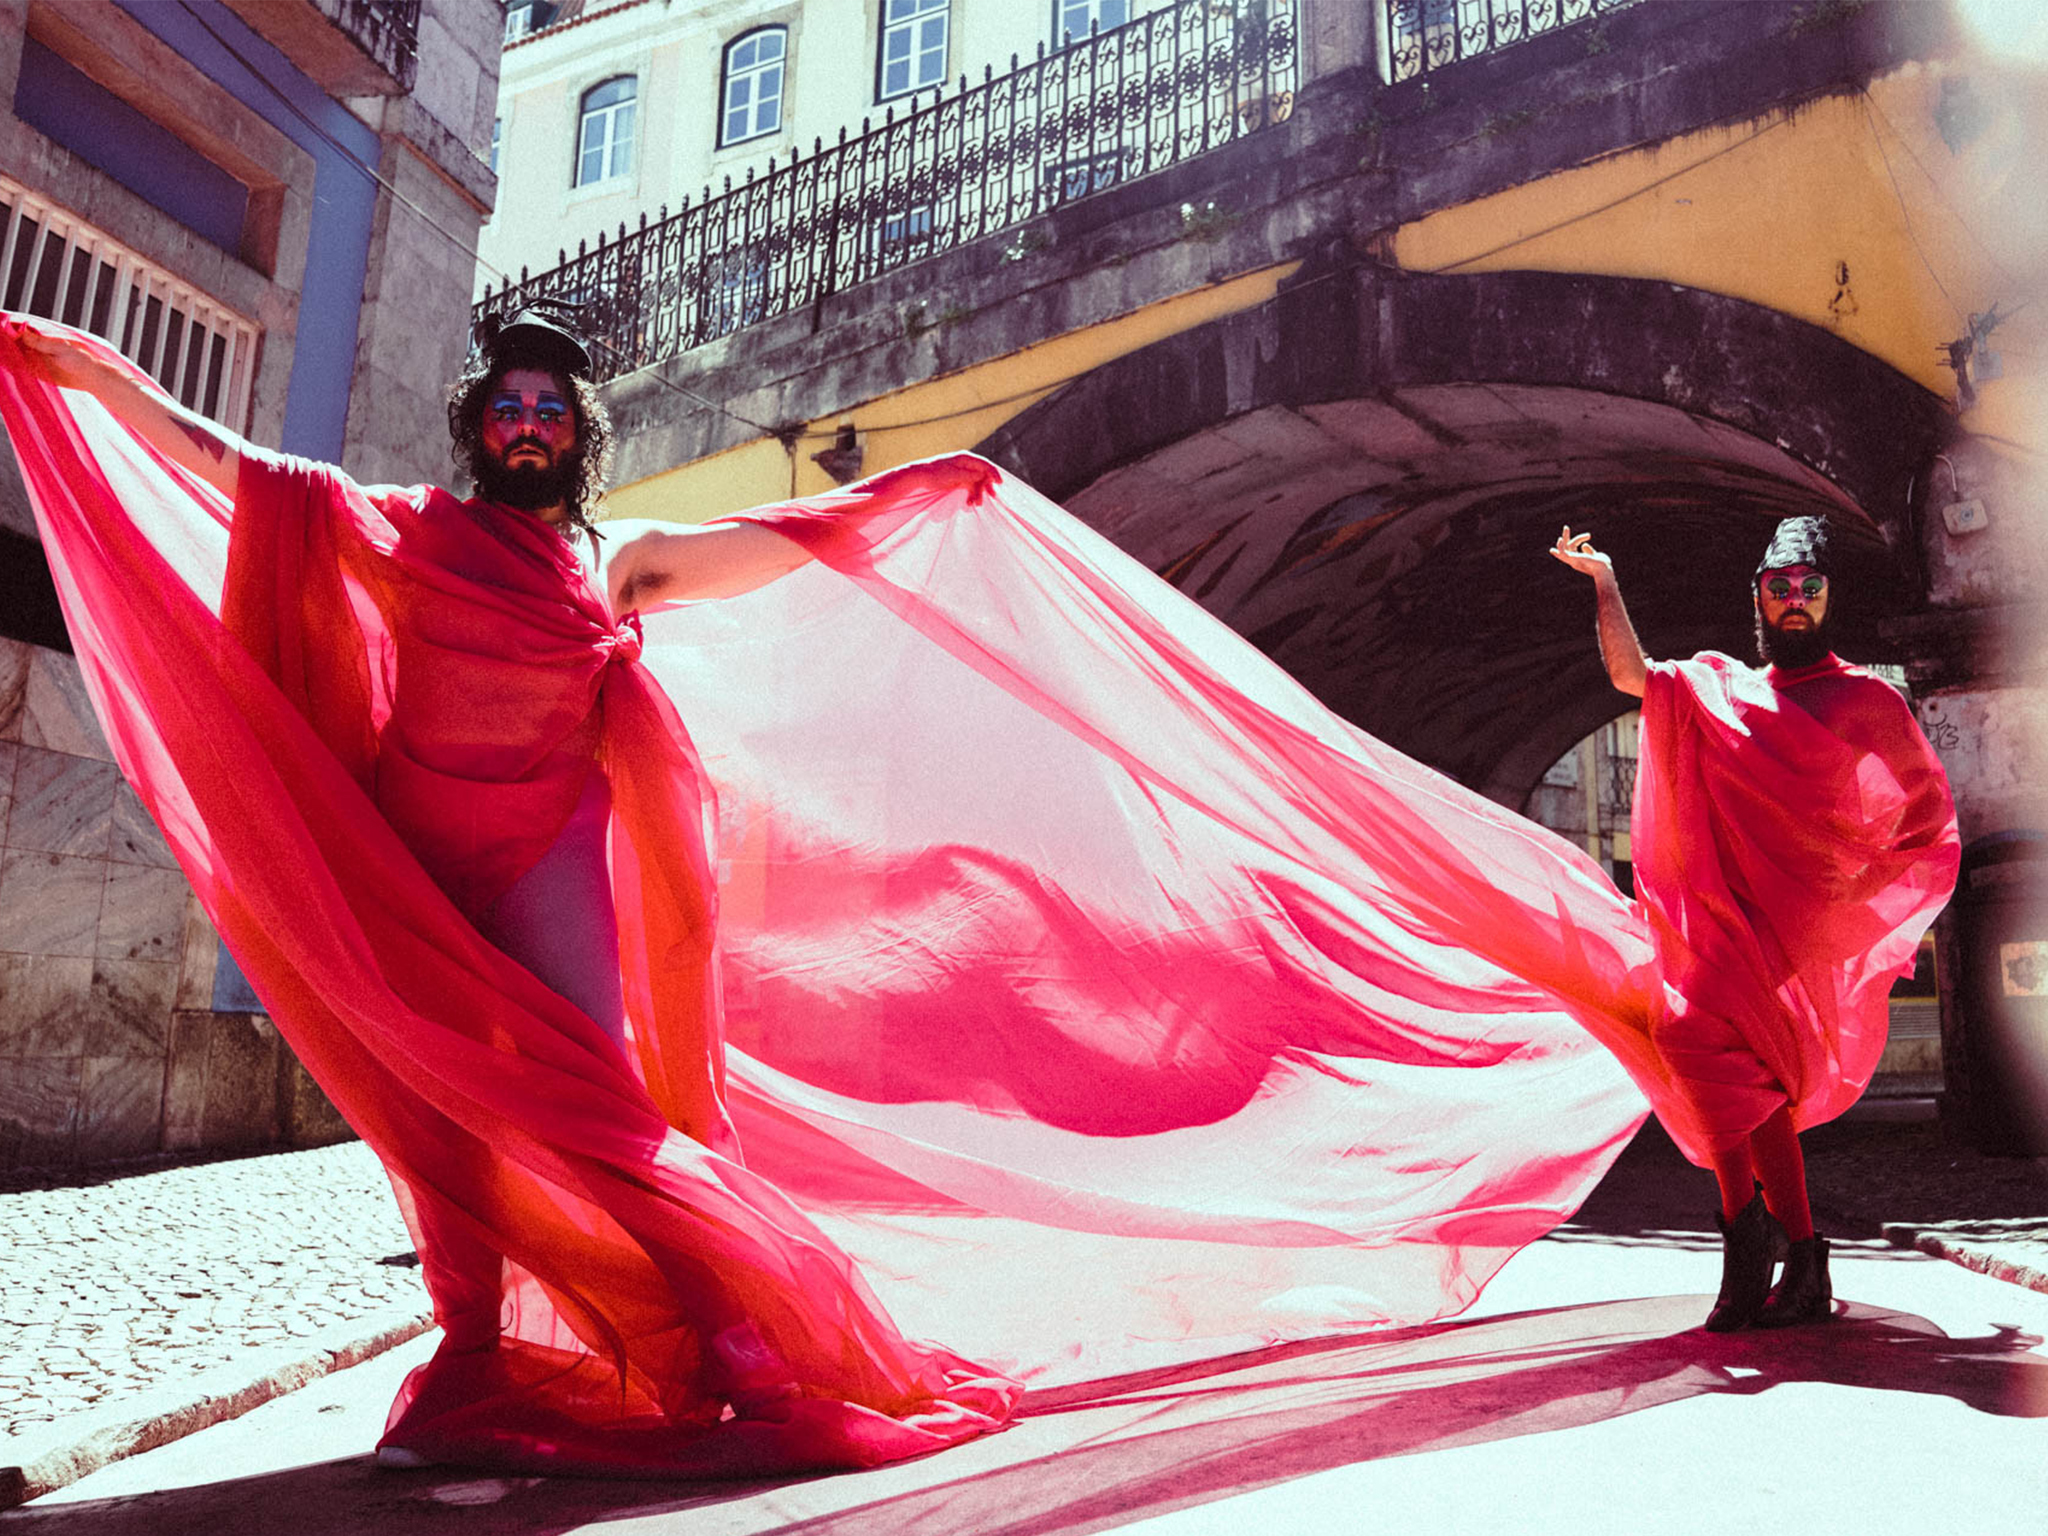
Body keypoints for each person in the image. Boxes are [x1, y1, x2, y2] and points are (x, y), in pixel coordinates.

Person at [1551, 516, 1958, 1330]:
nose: (1796, 601)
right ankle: (1782, 1254)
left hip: (1795, 932)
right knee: (1706, 1050)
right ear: (1760, 599)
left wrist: (1858, 902)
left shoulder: (1865, 698)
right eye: (1781, 588)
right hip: (1716, 923)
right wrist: (1605, 583)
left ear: (1828, 599)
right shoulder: (1722, 692)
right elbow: (1634, 675)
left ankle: (1764, 1253)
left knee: (1730, 1063)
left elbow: (1925, 819)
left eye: (1810, 588)